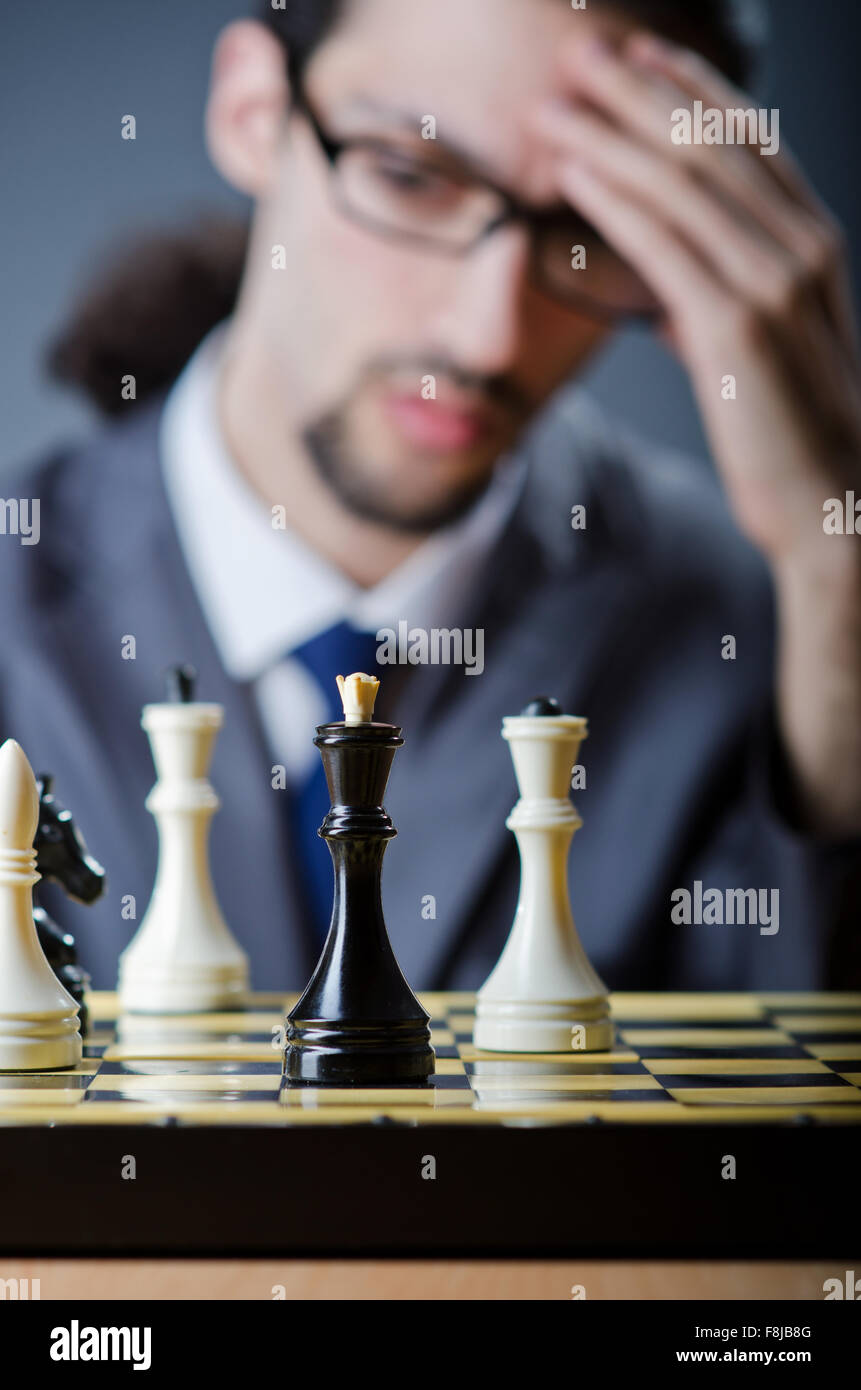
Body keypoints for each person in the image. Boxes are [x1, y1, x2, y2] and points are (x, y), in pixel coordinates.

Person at [3, 0, 860, 993]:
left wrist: (834, 564)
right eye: (412, 176)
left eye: (590, 229)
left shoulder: (769, 629)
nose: (486, 334)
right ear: (252, 110)